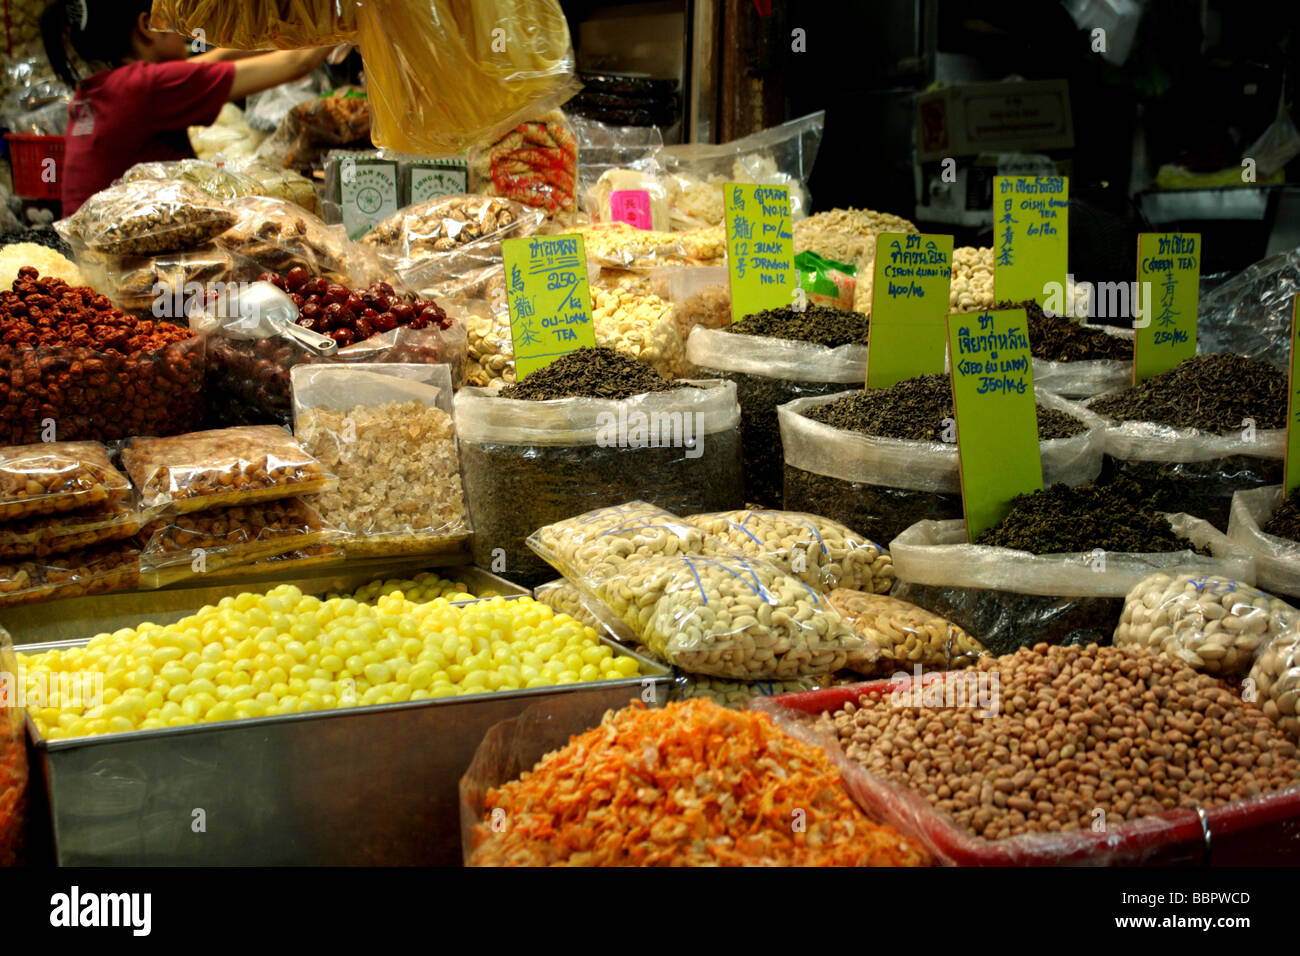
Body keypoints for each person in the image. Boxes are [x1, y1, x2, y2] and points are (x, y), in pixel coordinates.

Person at [40, 0, 331, 213]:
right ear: (147, 26)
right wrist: (350, 22)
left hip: (88, 248)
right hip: (120, 258)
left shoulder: (100, 88)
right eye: (175, 23)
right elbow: (297, 63)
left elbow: (209, 62)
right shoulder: (148, 87)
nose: (185, 33)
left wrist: (268, 31)